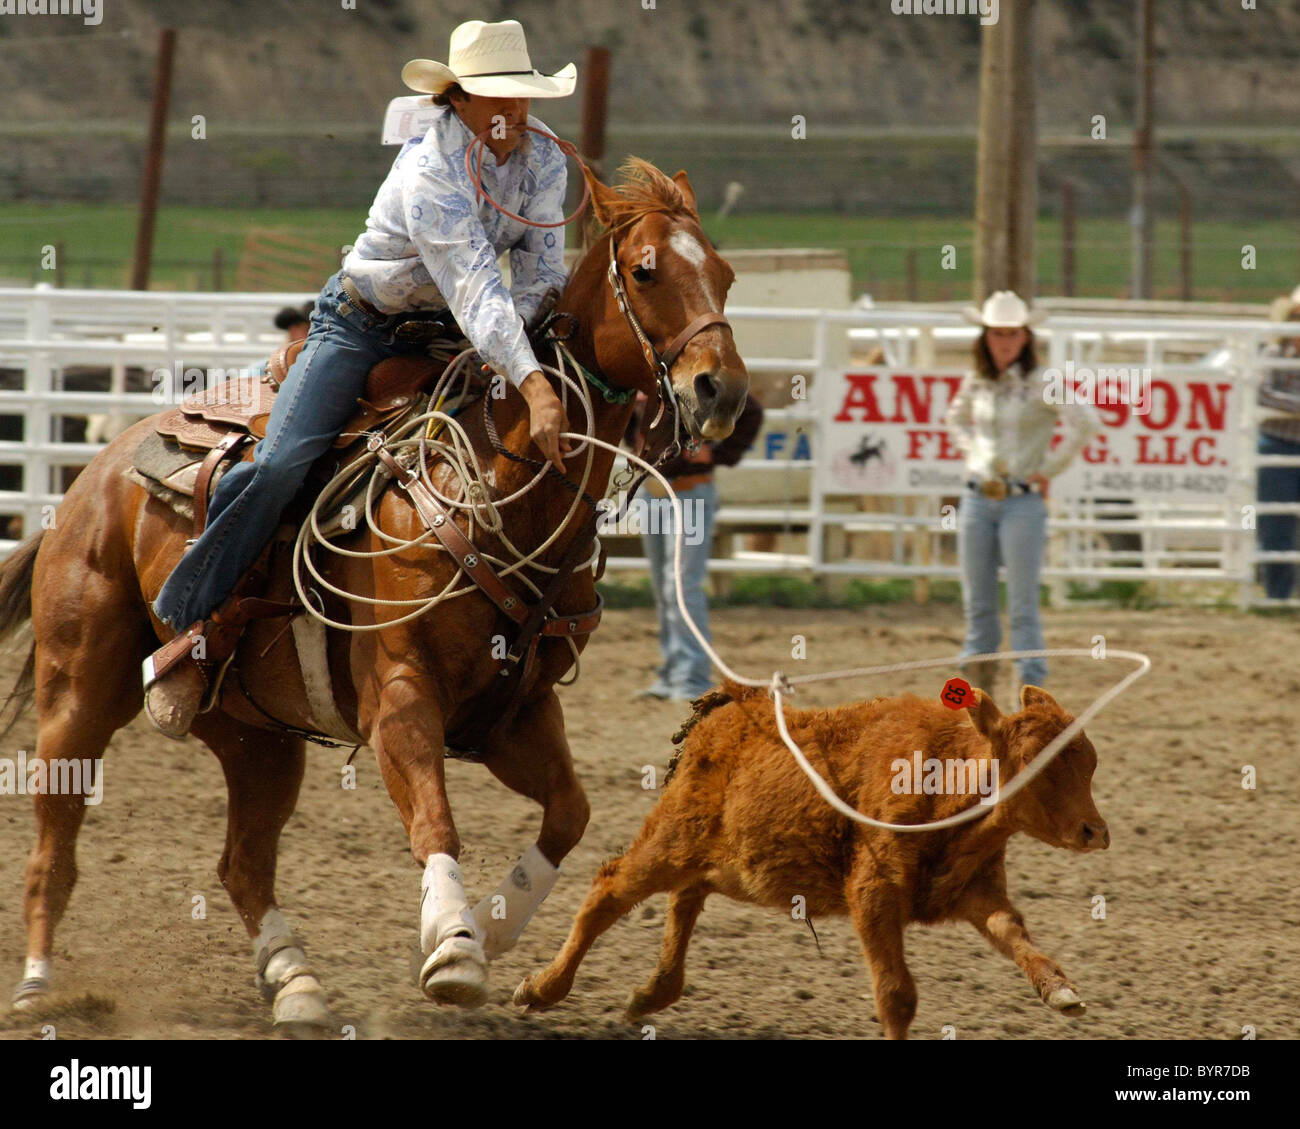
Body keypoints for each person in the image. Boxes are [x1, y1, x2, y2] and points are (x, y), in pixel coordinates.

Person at [143, 19, 577, 737]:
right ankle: (194, 624)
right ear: (460, 99)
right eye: (501, 98)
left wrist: (515, 344)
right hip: (363, 322)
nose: (518, 115)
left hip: (455, 335)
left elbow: (542, 274)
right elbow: (474, 283)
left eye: (524, 99)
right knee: (282, 464)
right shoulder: (429, 169)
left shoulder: (545, 162)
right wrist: (530, 381)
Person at [944, 291, 1100, 705]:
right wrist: (973, 453)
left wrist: (1047, 470)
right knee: (977, 602)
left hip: (1022, 499)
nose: (1005, 342)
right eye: (998, 334)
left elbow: (1086, 422)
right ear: (986, 336)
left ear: (1026, 336)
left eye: (1012, 334)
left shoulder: (1044, 382)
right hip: (979, 495)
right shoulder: (978, 379)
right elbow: (954, 418)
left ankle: (1030, 694)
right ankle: (975, 697)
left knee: (1022, 604)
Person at [634, 391, 763, 701]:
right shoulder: (647, 377)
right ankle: (673, 673)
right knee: (666, 587)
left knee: (679, 585)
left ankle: (691, 677)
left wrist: (717, 454)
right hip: (652, 491)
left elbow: (750, 409)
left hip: (687, 493)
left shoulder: (696, 382)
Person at [1256, 286, 1300, 600]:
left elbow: (1269, 394)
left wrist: (1289, 405)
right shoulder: (1273, 353)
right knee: (1276, 526)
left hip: (1278, 437)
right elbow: (1261, 392)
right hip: (1277, 443)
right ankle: (1278, 596)